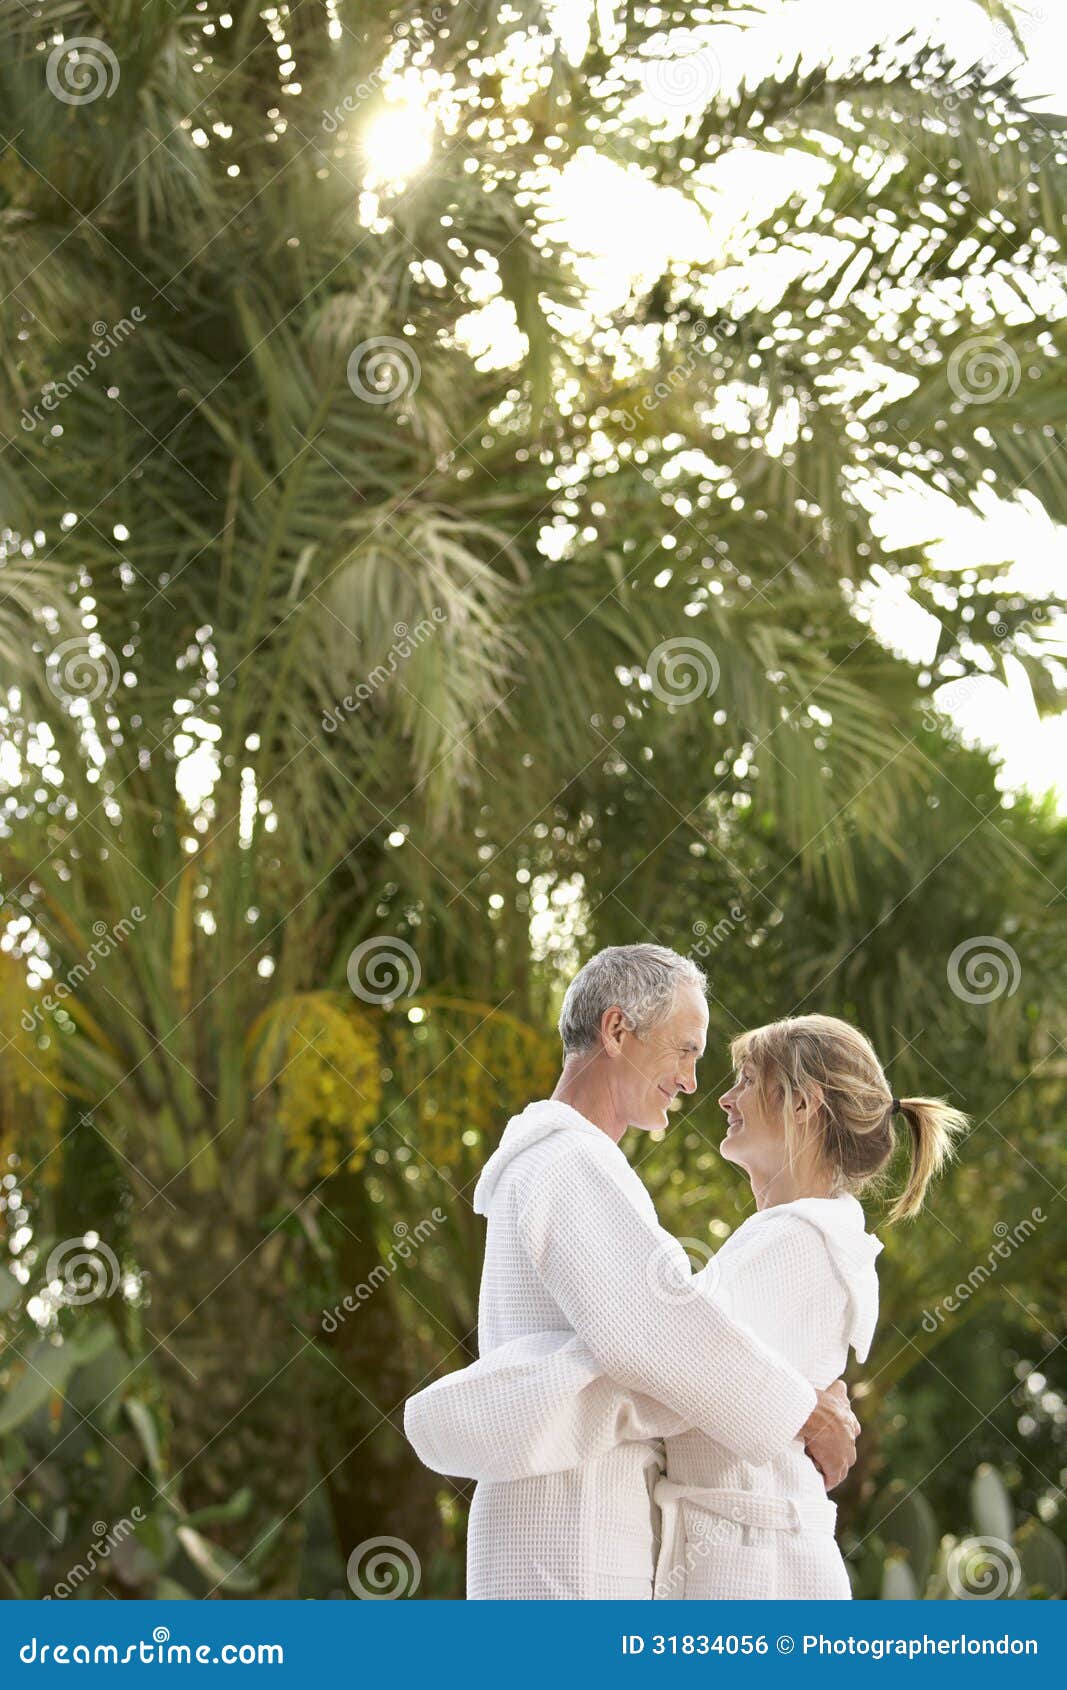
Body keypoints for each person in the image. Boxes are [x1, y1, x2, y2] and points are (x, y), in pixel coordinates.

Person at [409, 1011, 966, 1599]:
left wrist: (465, 1414)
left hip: (759, 1574)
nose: (723, 1097)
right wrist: (799, 1403)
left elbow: (660, 1369)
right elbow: (677, 1353)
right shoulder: (792, 1239)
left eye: (747, 1080)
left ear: (802, 1105)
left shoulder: (796, 1242)